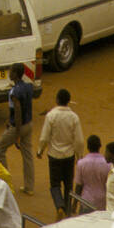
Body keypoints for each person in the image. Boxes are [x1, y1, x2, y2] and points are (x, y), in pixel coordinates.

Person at [37, 89, 84, 219]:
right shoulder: (74, 117)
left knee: (55, 185)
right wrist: (79, 155)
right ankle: (68, 211)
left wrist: (40, 150)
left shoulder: (51, 115)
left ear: (57, 100)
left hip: (54, 156)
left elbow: (44, 137)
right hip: (69, 156)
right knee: (68, 185)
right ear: (68, 101)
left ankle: (59, 207)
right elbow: (79, 140)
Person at [0, 63, 35, 195]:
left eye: (11, 71)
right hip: (29, 124)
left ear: (15, 74)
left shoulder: (14, 92)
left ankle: (6, 184)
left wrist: (17, 133)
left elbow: (17, 111)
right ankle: (29, 187)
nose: (9, 73)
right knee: (27, 155)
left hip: (18, 126)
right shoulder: (28, 87)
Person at [72, 135, 110, 213]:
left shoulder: (81, 163)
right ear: (100, 146)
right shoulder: (107, 164)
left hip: (86, 201)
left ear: (88, 147)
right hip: (102, 202)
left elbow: (78, 186)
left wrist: (74, 204)